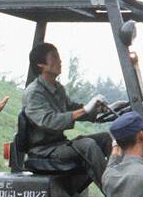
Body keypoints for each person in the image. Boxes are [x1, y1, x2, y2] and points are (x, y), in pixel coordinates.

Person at [22, 42, 113, 189]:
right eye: (54, 57)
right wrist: (85, 109)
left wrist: (100, 109)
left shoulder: (58, 88)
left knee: (106, 138)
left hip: (60, 145)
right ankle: (115, 195)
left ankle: (120, 181)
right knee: (88, 145)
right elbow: (49, 121)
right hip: (44, 150)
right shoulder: (33, 93)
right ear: (41, 65)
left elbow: (73, 109)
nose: (60, 61)